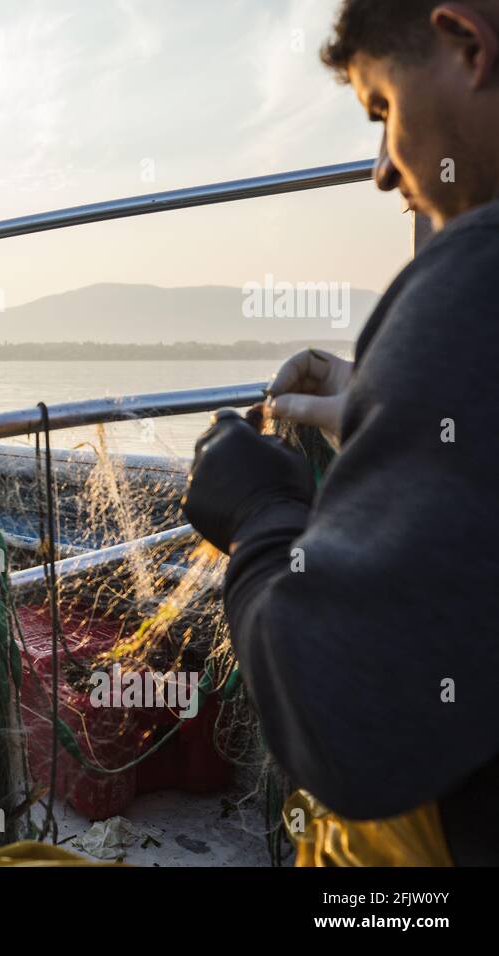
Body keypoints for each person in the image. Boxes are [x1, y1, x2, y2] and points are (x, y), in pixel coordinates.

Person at [182, 0, 499, 865]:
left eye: (382, 111)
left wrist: (259, 516)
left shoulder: (473, 277)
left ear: (468, 45)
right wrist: (366, 396)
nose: (382, 174)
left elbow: (346, 723)